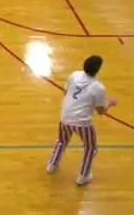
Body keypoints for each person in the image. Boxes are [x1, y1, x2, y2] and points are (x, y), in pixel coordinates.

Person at [46, 55, 115, 186]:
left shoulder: (75, 75)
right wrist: (110, 103)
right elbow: (100, 111)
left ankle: (51, 164)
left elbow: (65, 92)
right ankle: (83, 176)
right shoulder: (98, 87)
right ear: (98, 69)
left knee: (61, 140)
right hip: (82, 122)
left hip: (65, 116)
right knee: (91, 148)